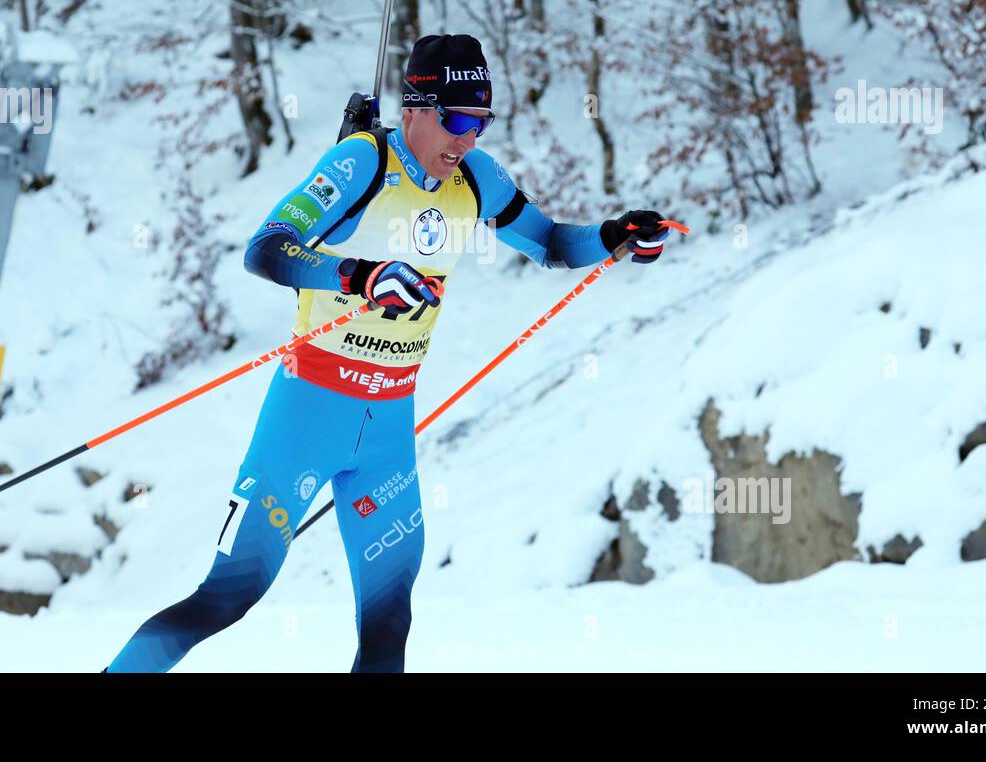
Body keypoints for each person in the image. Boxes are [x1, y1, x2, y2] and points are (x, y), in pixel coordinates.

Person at [106, 34, 672, 672]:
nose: (468, 140)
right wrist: (357, 274)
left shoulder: (477, 178)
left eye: (481, 122)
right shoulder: (363, 162)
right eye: (457, 121)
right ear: (416, 108)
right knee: (228, 597)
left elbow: (550, 244)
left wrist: (616, 237)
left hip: (387, 429)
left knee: (388, 621)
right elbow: (265, 249)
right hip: (308, 413)